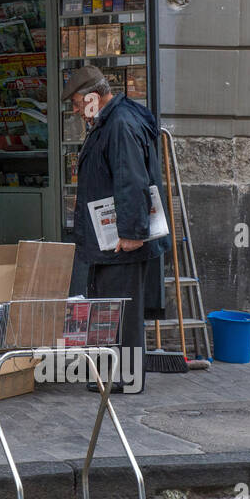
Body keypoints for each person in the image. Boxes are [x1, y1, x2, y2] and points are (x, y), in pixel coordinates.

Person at [62, 64, 169, 394]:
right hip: (108, 238)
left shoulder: (119, 124)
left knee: (123, 307)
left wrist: (132, 233)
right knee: (111, 304)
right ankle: (113, 371)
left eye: (79, 104)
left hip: (122, 240)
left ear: (93, 98)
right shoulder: (110, 121)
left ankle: (127, 376)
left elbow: (131, 180)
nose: (77, 111)